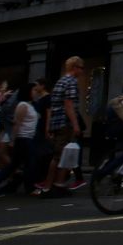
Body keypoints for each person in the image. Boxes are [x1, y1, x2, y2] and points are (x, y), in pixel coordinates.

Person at [37, 57, 88, 194]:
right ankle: (50, 186)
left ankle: (57, 184)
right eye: (81, 67)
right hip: (65, 123)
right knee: (60, 155)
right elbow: (69, 104)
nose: (82, 71)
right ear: (74, 67)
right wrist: (75, 124)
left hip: (58, 122)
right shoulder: (71, 82)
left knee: (63, 153)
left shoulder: (61, 80)